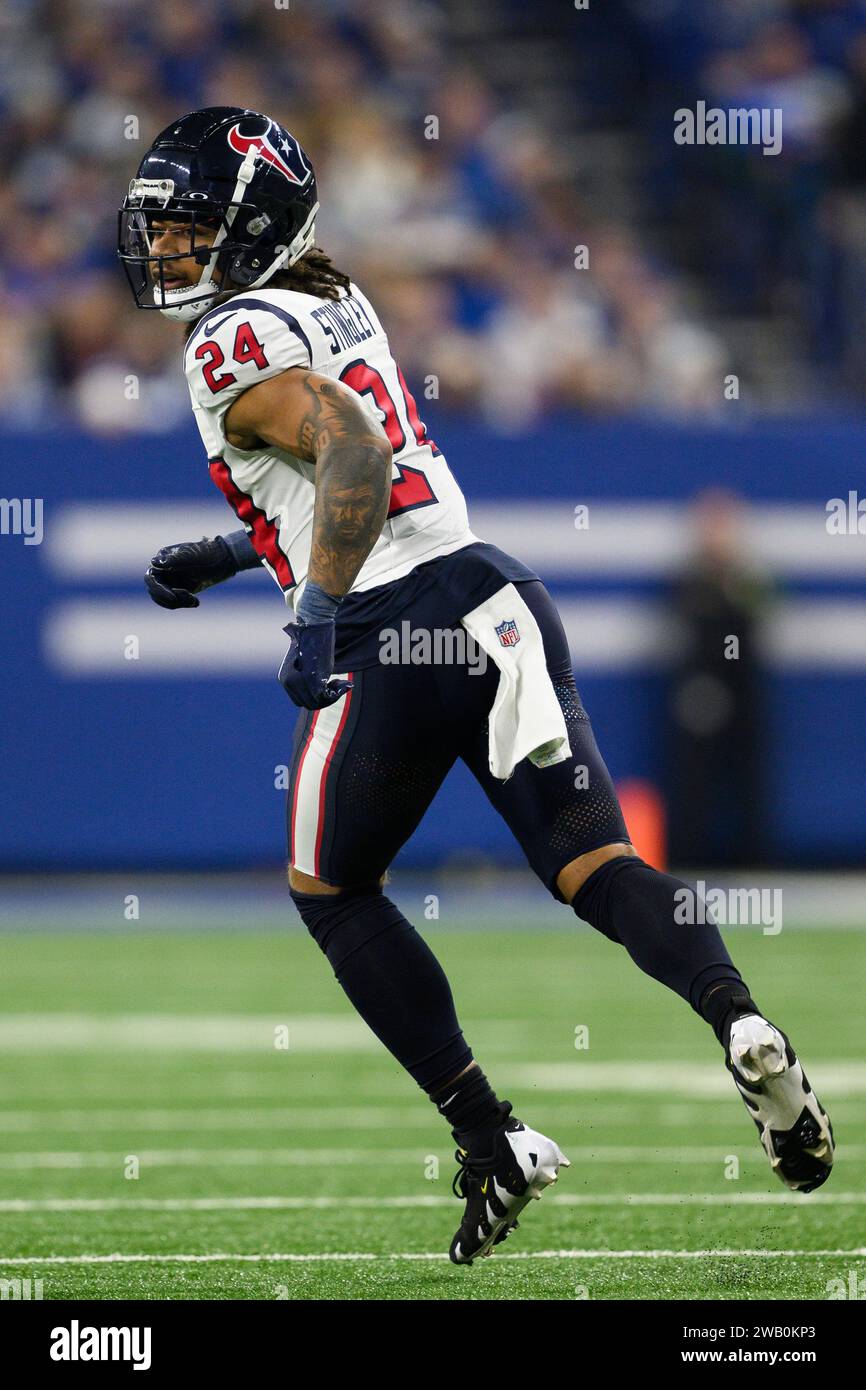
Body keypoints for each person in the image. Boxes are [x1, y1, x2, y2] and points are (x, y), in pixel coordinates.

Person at [119, 107, 834, 1265]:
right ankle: (738, 1018)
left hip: (390, 629)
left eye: (189, 229)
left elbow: (349, 451)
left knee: (332, 888)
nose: (164, 252)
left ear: (250, 230)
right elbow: (347, 474)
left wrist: (312, 614)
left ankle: (490, 1133)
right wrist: (232, 550)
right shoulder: (329, 295)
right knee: (598, 865)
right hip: (493, 597)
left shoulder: (225, 341)